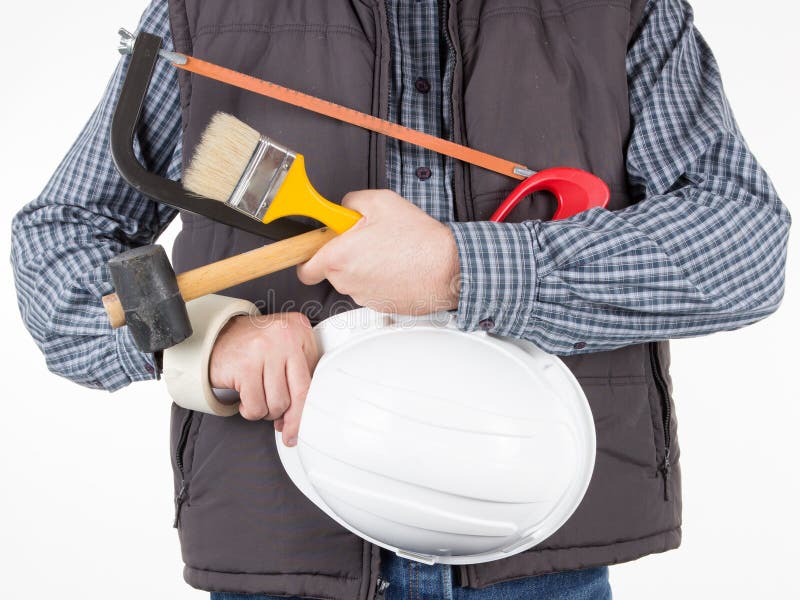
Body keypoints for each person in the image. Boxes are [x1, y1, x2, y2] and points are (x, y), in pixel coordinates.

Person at [10, 0, 790, 599]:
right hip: (281, 543)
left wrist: (463, 266)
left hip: (540, 541)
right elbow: (62, 247)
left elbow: (745, 245)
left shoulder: (623, 8)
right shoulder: (206, 10)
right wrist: (205, 340)